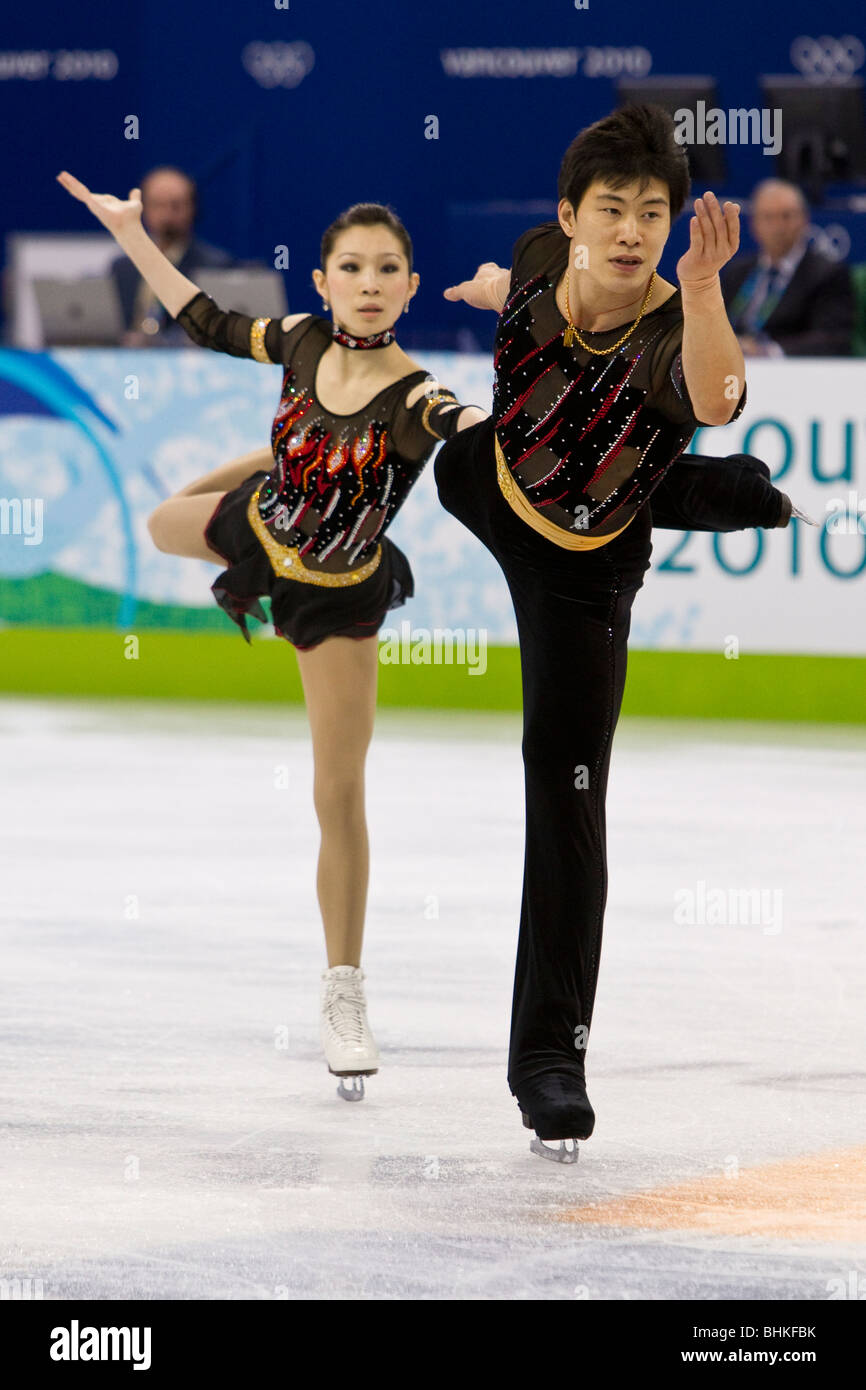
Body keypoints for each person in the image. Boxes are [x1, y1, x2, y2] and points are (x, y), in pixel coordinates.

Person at [56, 169, 486, 1101]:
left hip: (338, 596)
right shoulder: (296, 340)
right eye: (350, 267)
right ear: (323, 281)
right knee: (163, 522)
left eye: (387, 269)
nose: (368, 283)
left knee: (337, 792)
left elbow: (483, 433)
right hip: (264, 532)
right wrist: (132, 233)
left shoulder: (419, 398)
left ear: (411, 287)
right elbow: (203, 317)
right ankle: (277, 473)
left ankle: (344, 992)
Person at [436, 104, 813, 1163]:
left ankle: (547, 1059)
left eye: (653, 211)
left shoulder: (666, 326)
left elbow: (718, 392)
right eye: (613, 209)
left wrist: (699, 291)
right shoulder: (533, 257)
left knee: (563, 789)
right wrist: (485, 290)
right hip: (493, 481)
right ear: (568, 216)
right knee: (456, 450)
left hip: (584, 569)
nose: (632, 228)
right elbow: (518, 288)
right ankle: (701, 491)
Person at [721, 178, 854, 357]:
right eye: (768, 217)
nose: (778, 227)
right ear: (754, 225)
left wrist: (768, 351)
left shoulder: (827, 273)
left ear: (804, 220)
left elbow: (833, 339)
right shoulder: (737, 272)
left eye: (786, 216)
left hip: (791, 371)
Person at [107, 166, 239, 347]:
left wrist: (160, 342)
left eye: (175, 206)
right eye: (158, 205)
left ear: (193, 208)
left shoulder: (214, 267)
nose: (167, 215)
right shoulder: (122, 268)